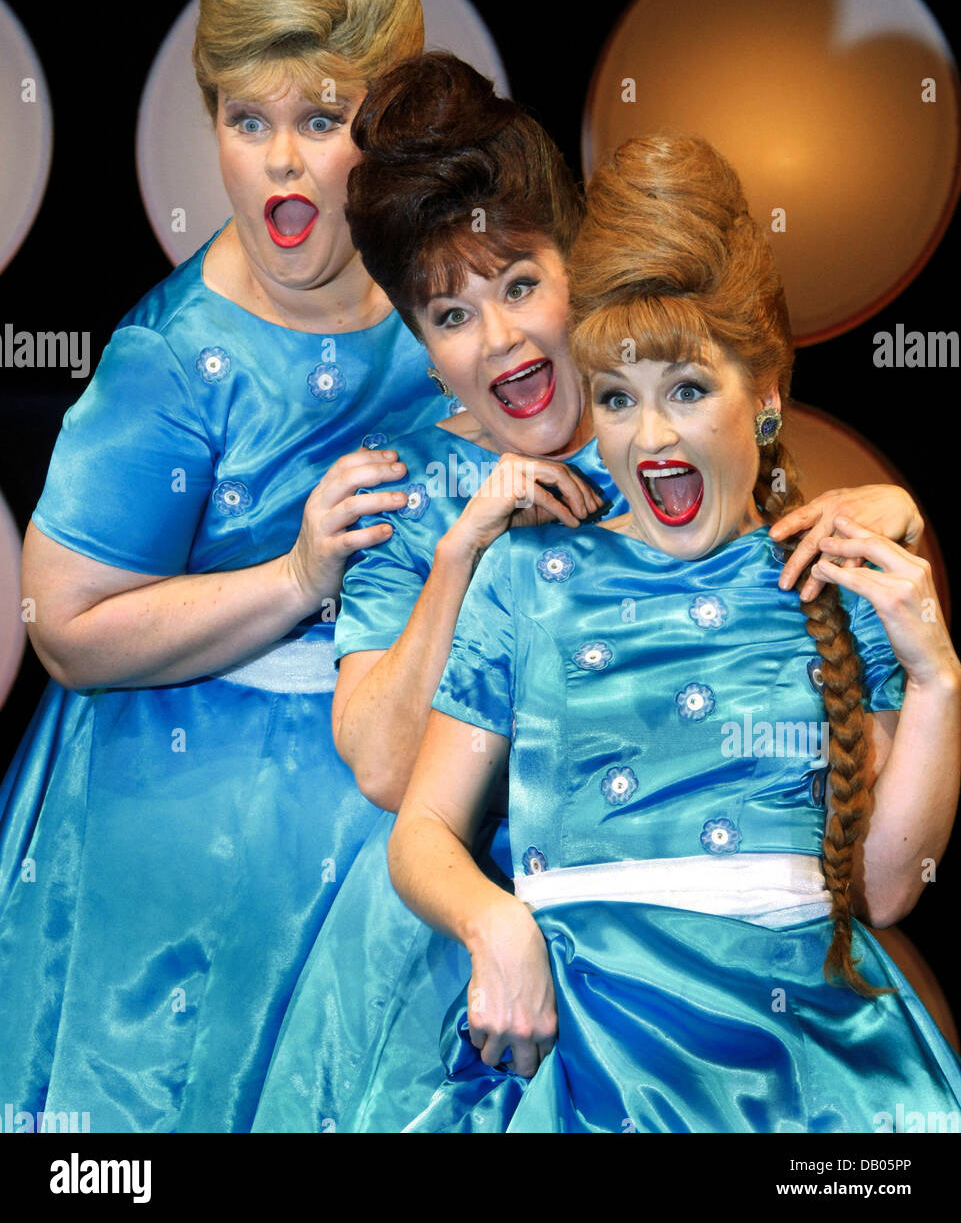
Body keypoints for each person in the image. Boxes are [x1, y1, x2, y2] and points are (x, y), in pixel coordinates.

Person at [249, 58, 935, 1132]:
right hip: (501, 955)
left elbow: (773, 513)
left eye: (520, 283)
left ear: (580, 271)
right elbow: (394, 775)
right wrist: (464, 548)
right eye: (450, 314)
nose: (503, 337)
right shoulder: (419, 501)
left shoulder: (665, 420)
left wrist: (890, 508)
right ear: (422, 348)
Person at [0, 0, 447, 1133]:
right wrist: (297, 580)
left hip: (395, 830)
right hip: (182, 861)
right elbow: (64, 627)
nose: (284, 162)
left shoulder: (454, 307)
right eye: (248, 121)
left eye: (324, 116)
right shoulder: (173, 359)